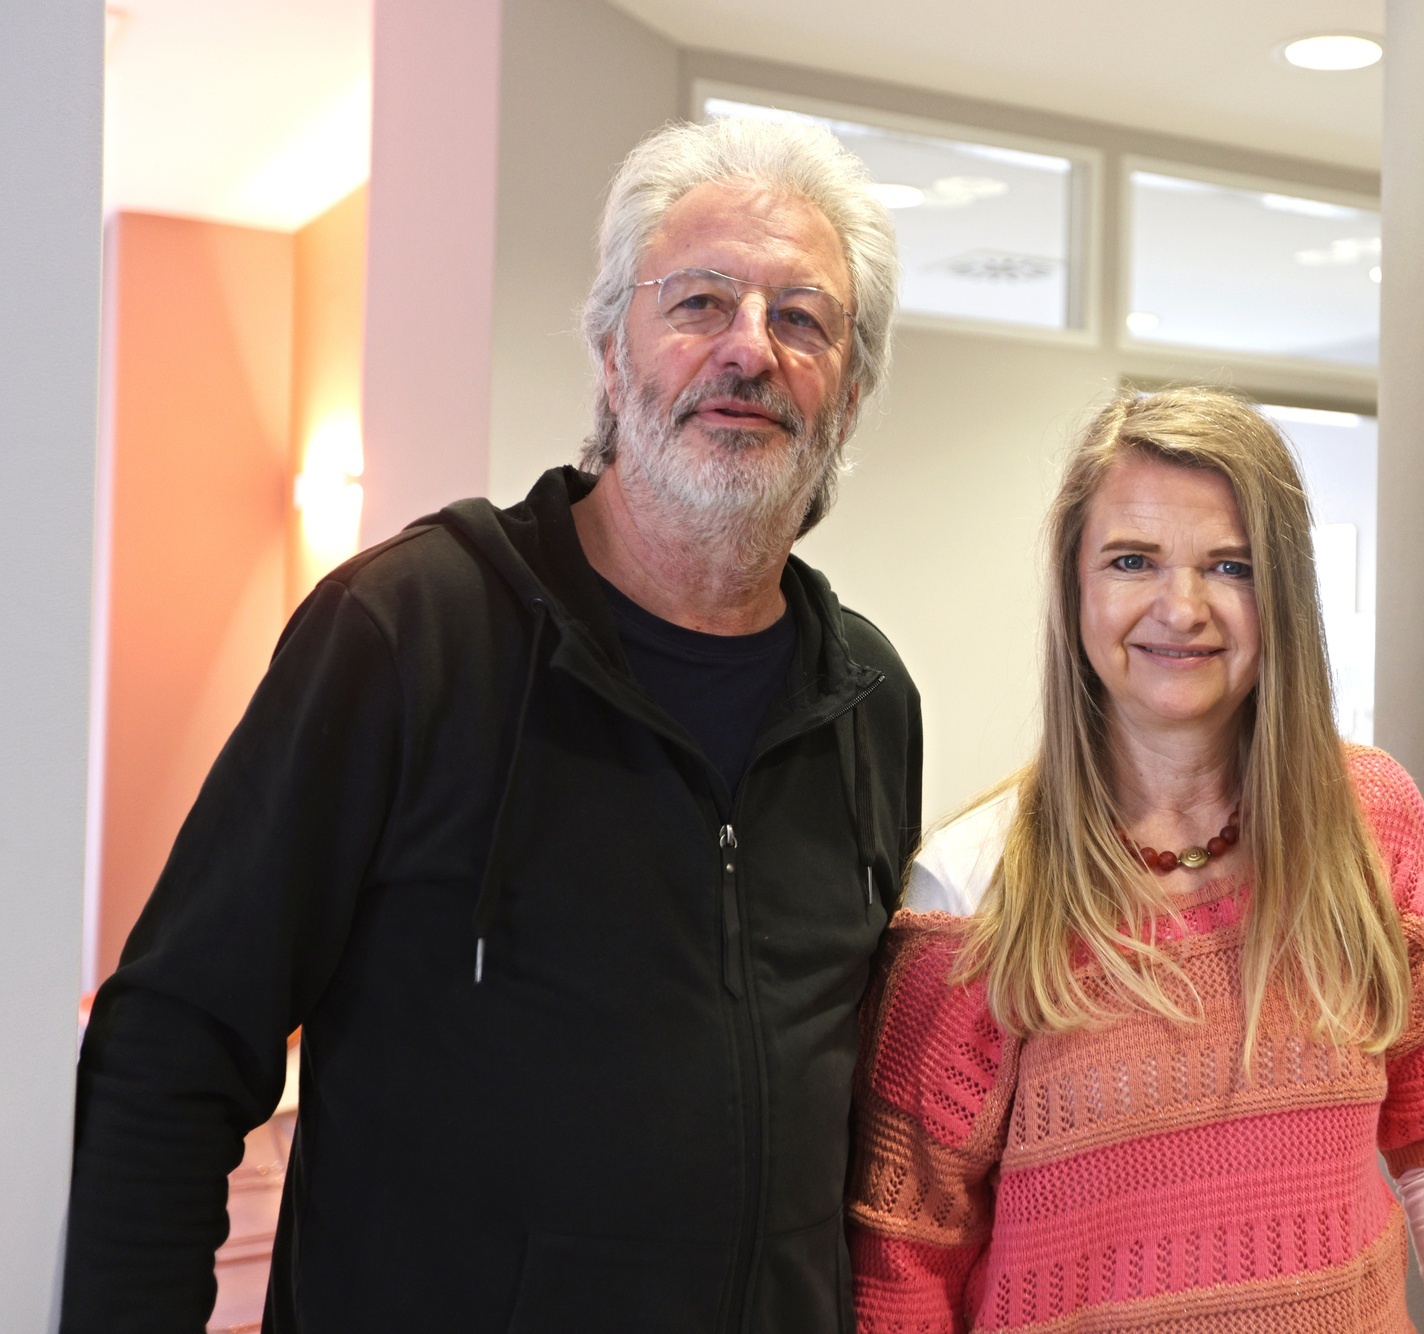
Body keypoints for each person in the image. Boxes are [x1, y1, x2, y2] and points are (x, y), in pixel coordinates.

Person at [64, 117, 921, 1332]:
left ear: (849, 390)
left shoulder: (868, 700)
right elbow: (173, 1043)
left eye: (801, 317)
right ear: (612, 354)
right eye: (698, 303)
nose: (749, 349)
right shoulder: (407, 631)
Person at [845, 388, 1424, 1332]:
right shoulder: (975, 890)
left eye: (1229, 566)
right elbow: (903, 1261)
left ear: (1281, 593)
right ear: (1075, 587)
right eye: (1132, 561)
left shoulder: (1374, 823)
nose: (1182, 607)